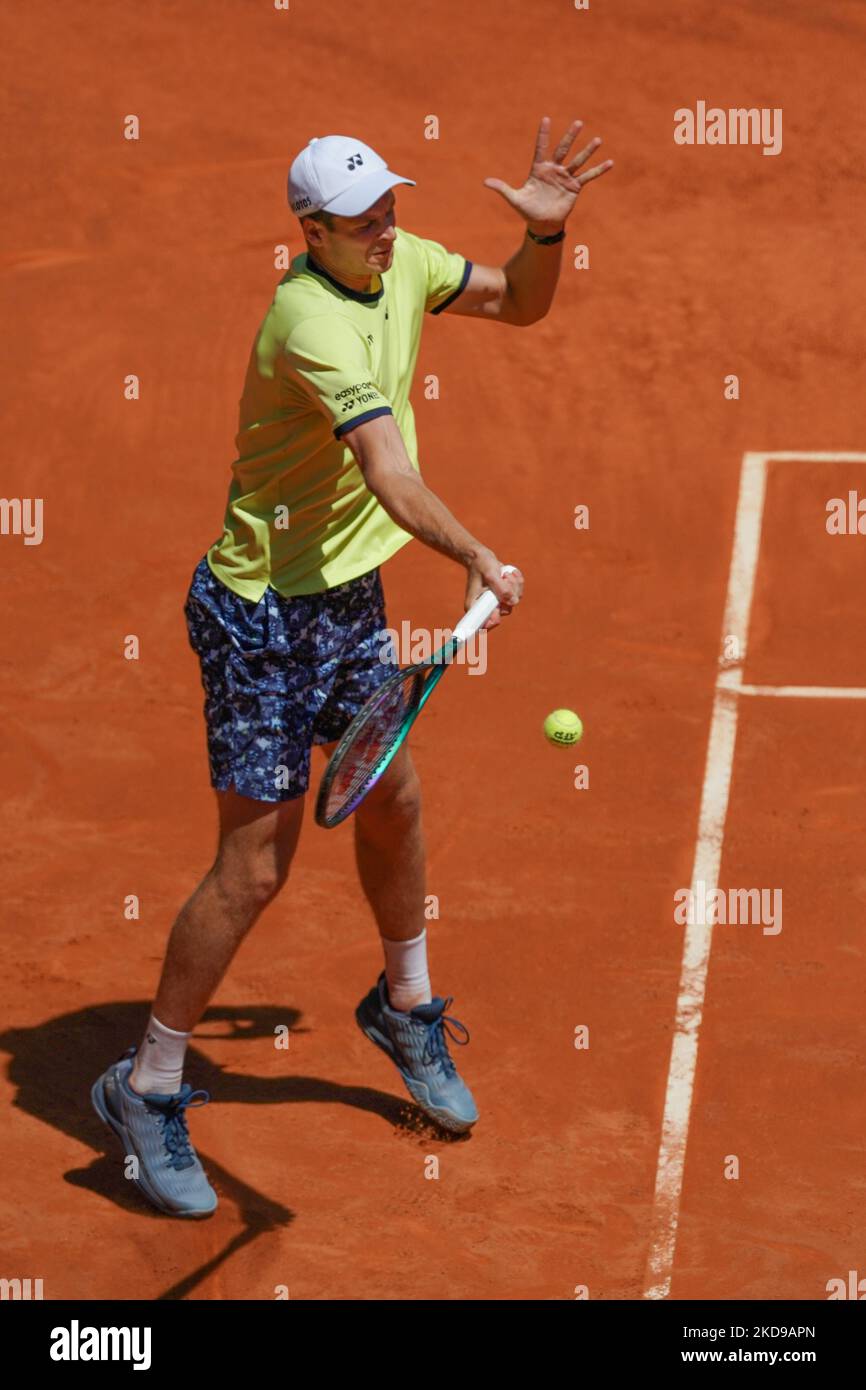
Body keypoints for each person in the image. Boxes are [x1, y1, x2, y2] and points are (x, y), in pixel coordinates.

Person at [91, 119, 613, 1217]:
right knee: (255, 867)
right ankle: (146, 1084)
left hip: (345, 601)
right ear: (310, 230)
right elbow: (384, 466)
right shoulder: (306, 321)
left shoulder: (403, 260)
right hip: (261, 614)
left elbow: (516, 302)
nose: (384, 230)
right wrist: (473, 552)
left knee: (393, 799)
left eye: (388, 208)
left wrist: (545, 239)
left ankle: (403, 1007)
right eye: (361, 219)